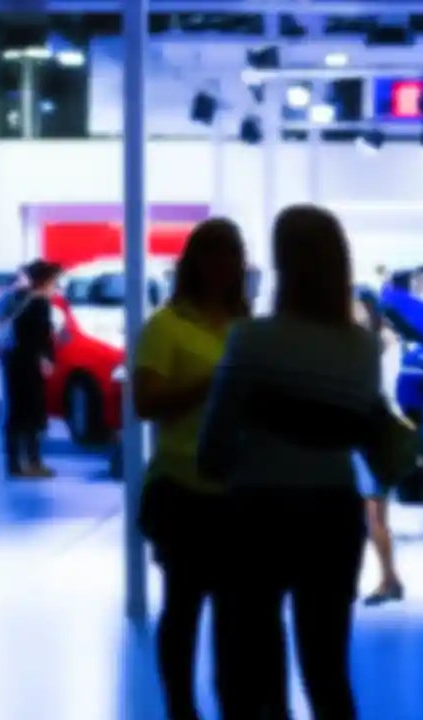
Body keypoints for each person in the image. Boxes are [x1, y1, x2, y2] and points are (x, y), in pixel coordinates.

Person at [200, 205, 381, 719]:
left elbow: (212, 450)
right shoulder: (362, 349)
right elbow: (360, 431)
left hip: (256, 510)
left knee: (249, 670)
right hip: (334, 514)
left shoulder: (252, 340)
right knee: (327, 670)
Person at [131, 219, 282, 720]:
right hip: (181, 490)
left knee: (236, 619)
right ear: (193, 262)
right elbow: (146, 402)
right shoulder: (166, 325)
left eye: (232, 255)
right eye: (213, 254)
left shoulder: (249, 327)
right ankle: (180, 708)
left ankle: (233, 706)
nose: (223, 265)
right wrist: (214, 382)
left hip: (241, 491)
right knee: (182, 609)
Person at [354, 288, 406, 607]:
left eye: (356, 308)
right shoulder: (377, 340)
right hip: (374, 431)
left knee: (374, 517)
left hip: (373, 434)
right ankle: (391, 579)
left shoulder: (379, 343)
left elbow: (380, 391)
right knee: (374, 517)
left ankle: (388, 579)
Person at [0, 260, 60, 478]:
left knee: (17, 413)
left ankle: (15, 462)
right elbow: (41, 336)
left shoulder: (19, 299)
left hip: (14, 361)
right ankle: (32, 462)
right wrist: (46, 358)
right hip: (30, 364)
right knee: (31, 414)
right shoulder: (39, 303)